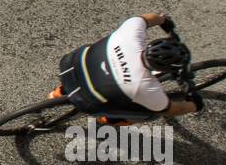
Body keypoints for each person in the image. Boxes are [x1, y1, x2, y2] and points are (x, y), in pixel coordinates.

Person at [49, 13, 202, 122]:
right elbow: (173, 110)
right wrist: (195, 105)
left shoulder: (132, 32)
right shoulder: (146, 87)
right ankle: (109, 120)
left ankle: (59, 92)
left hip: (71, 64)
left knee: (92, 63)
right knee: (150, 115)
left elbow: (147, 18)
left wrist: (163, 20)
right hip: (88, 100)